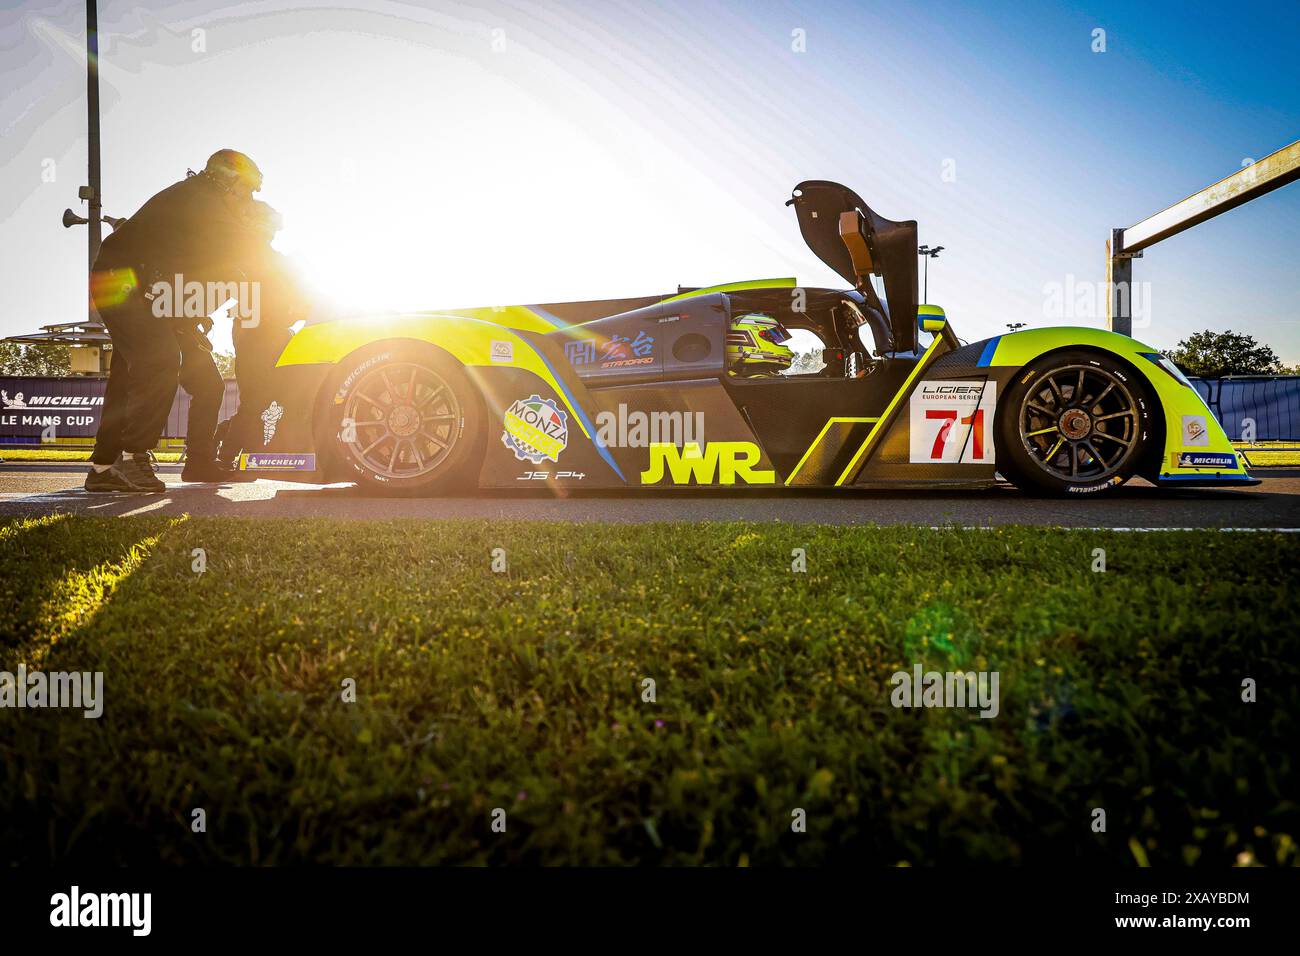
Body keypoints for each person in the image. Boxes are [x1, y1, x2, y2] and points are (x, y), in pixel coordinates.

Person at [85, 149, 271, 492]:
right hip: (121, 281)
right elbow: (251, 254)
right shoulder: (203, 201)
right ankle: (132, 457)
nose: (248, 197)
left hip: (154, 292)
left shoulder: (205, 204)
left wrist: (191, 313)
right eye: (246, 189)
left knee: (180, 379)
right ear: (227, 181)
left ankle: (109, 467)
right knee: (158, 358)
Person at [216, 199, 311, 470]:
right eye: (269, 226)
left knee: (273, 396)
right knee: (257, 398)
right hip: (256, 332)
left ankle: (243, 449)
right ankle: (226, 452)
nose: (272, 233)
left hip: (274, 331)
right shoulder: (252, 255)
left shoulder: (266, 256)